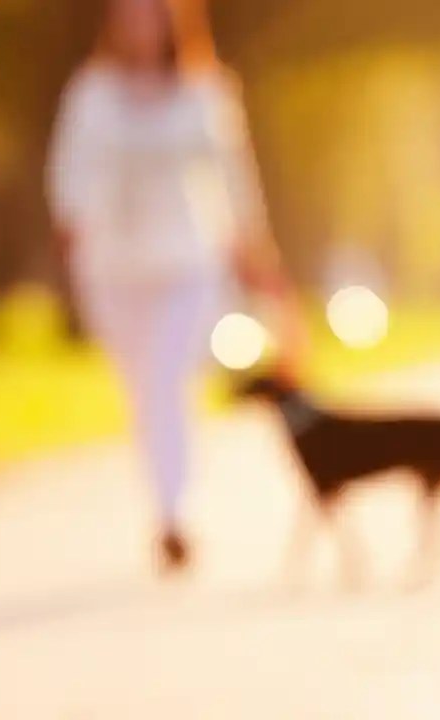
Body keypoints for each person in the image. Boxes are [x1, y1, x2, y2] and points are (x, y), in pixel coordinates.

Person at [47, 0, 297, 573]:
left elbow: (234, 173)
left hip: (187, 258)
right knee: (144, 389)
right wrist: (71, 217)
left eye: (150, 15)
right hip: (112, 263)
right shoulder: (93, 93)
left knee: (167, 381)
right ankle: (164, 499)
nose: (139, 27)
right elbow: (70, 166)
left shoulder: (205, 91)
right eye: (129, 16)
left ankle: (174, 513)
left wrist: (253, 244)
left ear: (171, 22)